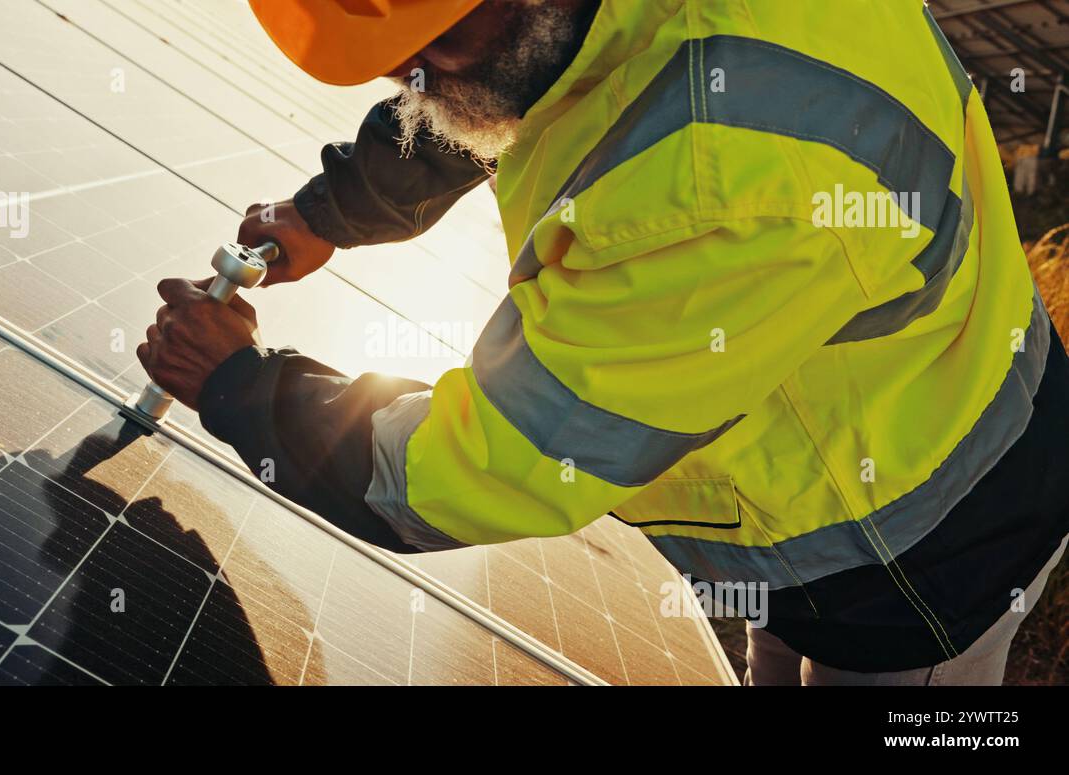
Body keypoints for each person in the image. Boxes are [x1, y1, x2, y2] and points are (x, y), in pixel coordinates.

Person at [136, 0, 1069, 685]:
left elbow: (494, 463)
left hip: (918, 553)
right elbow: (550, 74)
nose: (419, 82)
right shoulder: (561, 30)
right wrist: (330, 211)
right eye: (397, 63)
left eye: (435, 45)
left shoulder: (718, 181)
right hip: (835, 482)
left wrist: (238, 385)